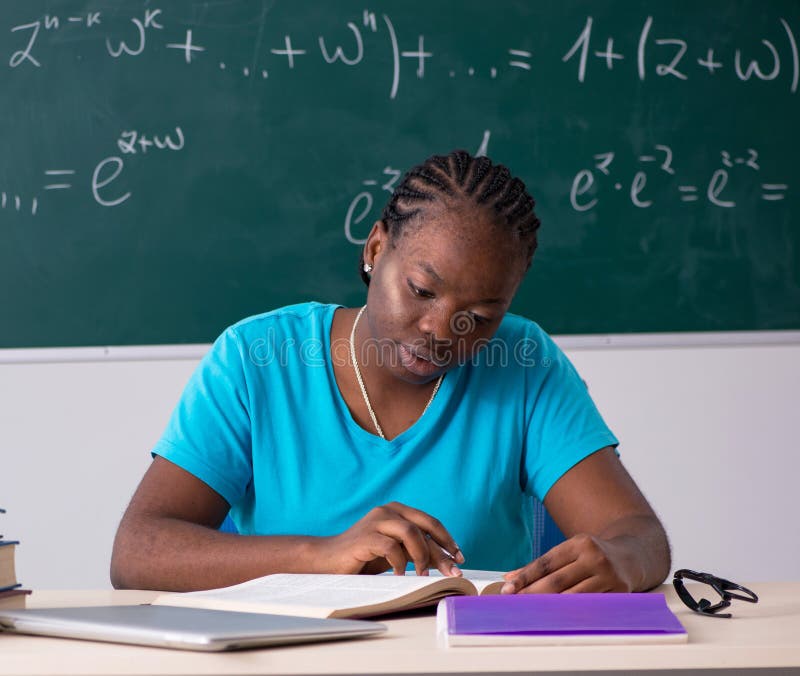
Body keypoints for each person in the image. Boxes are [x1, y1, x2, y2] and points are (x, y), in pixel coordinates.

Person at [111, 150, 670, 594]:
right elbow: (138, 551)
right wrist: (320, 555)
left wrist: (621, 560)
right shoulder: (257, 358)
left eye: (480, 317)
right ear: (377, 248)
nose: (441, 330)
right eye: (422, 290)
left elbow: (639, 535)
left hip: (469, 660)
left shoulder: (524, 361)